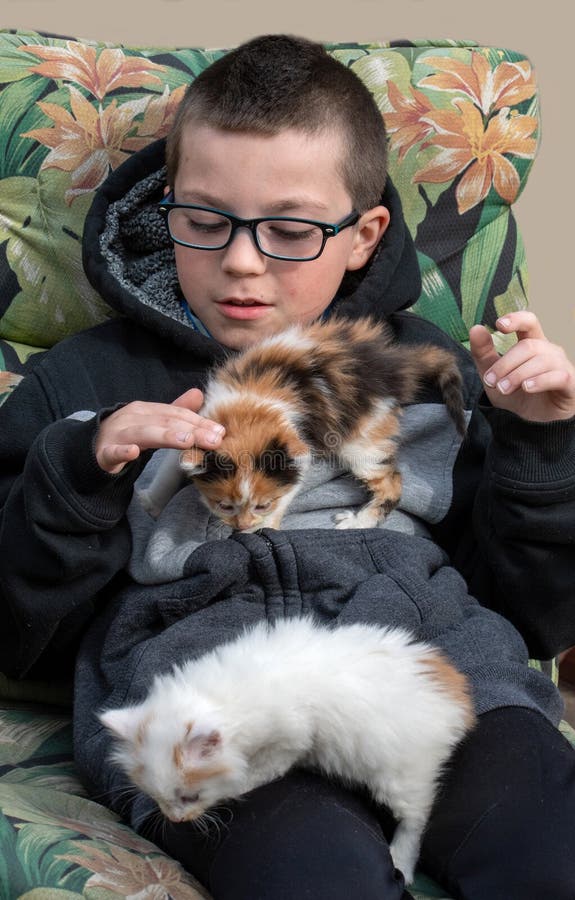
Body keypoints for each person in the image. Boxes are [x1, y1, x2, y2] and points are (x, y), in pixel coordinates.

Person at [1, 33, 574, 900]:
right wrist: (80, 477)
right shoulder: (85, 382)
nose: (241, 261)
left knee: (546, 850)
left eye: (291, 230)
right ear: (165, 209)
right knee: (313, 876)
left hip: (431, 672)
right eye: (204, 222)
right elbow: (17, 631)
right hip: (211, 703)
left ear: (362, 236)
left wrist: (537, 445)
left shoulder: (424, 370)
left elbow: (533, 617)